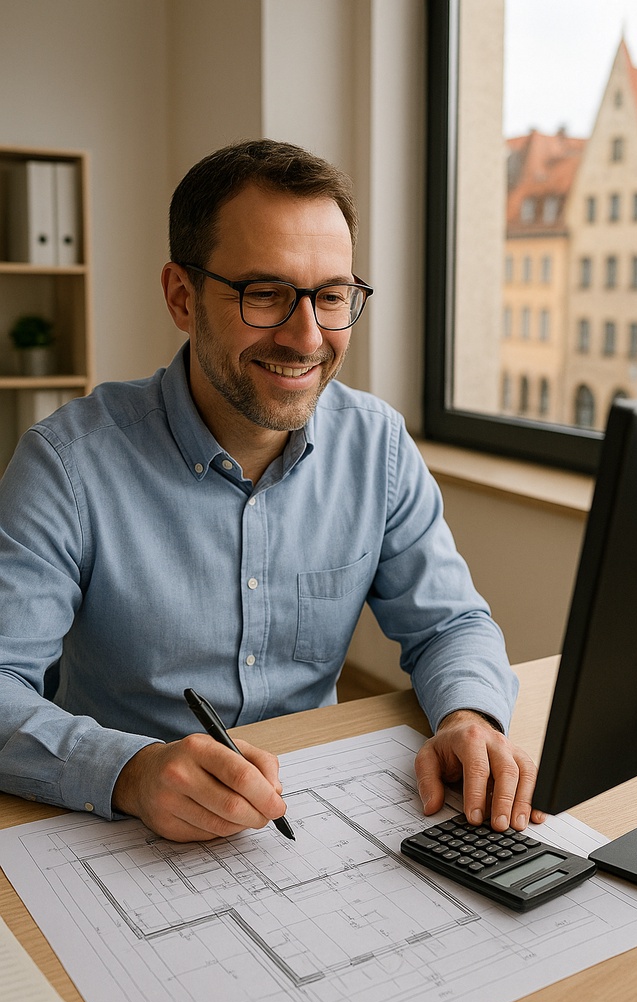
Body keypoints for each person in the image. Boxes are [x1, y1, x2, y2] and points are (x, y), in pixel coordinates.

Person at [0, 138, 545, 842]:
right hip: (125, 835)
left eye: (332, 296)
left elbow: (449, 625)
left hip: (318, 816)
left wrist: (470, 719)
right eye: (266, 295)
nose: (306, 336)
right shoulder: (66, 464)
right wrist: (129, 770)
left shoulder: (376, 445)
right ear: (180, 297)